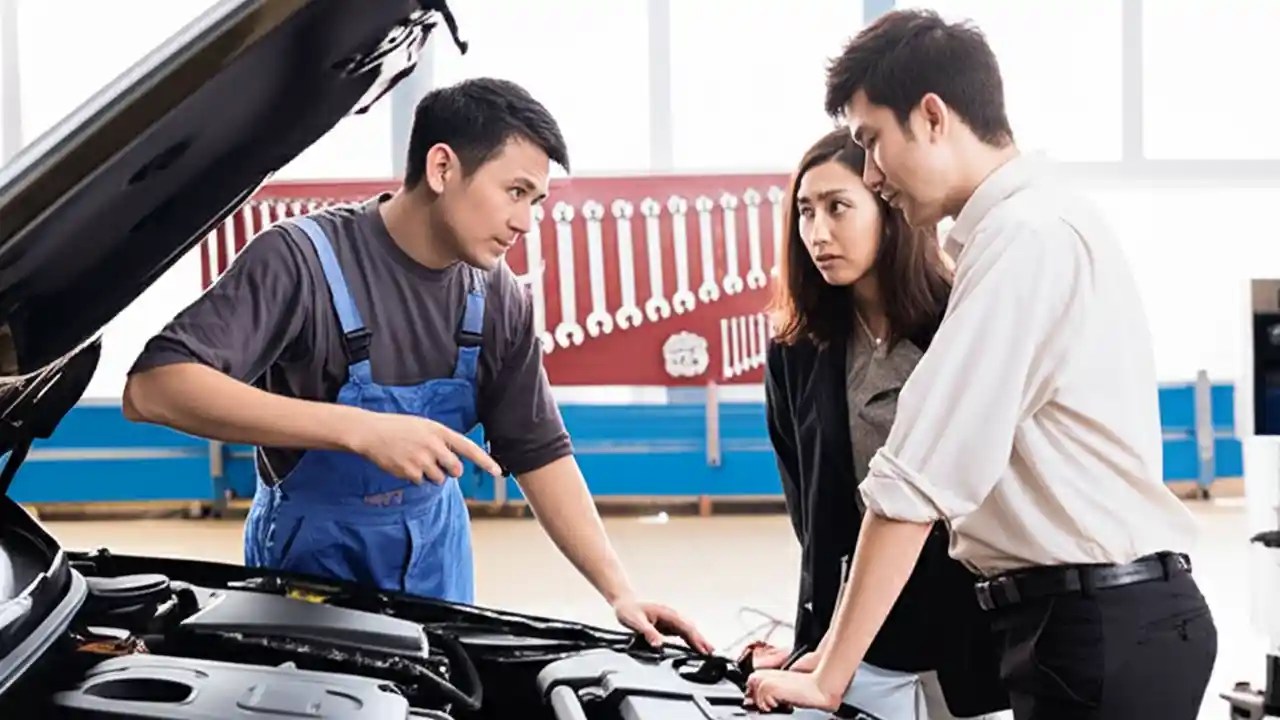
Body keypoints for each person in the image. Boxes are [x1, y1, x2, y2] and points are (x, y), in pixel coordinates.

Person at [122, 76, 711, 654]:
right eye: (515, 192)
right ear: (442, 169)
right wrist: (360, 429)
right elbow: (154, 388)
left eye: (537, 201)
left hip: (436, 565)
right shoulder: (300, 261)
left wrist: (620, 592)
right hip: (308, 571)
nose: (526, 223)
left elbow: (539, 451)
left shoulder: (499, 296)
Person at [746, 10, 1217, 719]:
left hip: (1099, 622)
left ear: (932, 116)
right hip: (1087, 620)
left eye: (873, 143)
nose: (873, 173)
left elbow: (916, 477)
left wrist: (829, 677)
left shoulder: (1026, 239)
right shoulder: (1028, 228)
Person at [754, 128, 1007, 720]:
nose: (818, 233)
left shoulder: (960, 323)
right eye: (805, 212)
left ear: (889, 212)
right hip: (848, 647)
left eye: (838, 208)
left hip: (967, 634)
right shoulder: (796, 351)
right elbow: (807, 509)